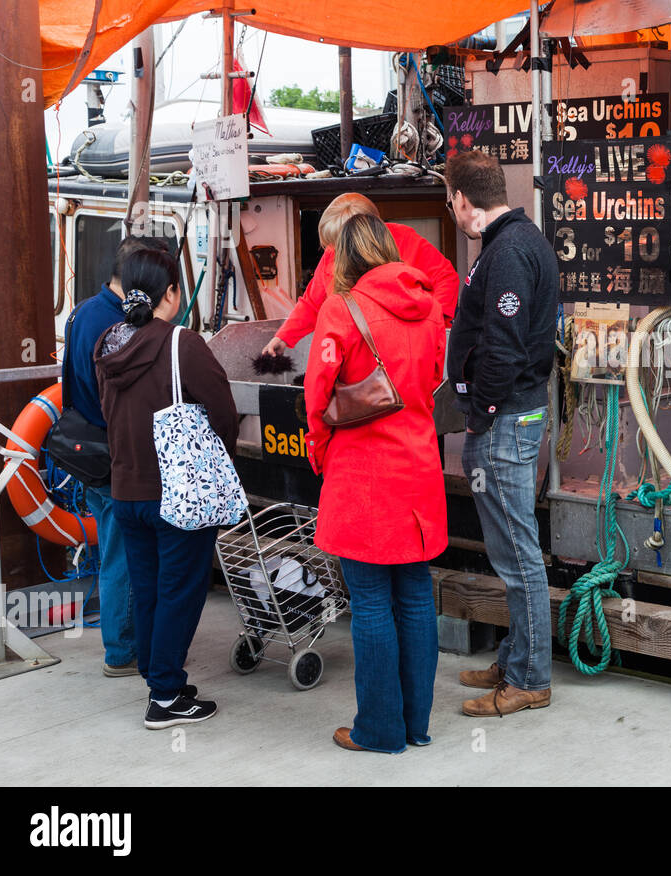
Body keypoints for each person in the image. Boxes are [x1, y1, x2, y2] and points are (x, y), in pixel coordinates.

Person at [304, 213, 447, 753]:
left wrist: (320, 451)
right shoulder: (430, 307)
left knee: (368, 603)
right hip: (418, 469)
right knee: (414, 598)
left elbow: (317, 399)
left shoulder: (341, 309)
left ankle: (379, 731)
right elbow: (433, 381)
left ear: (345, 257)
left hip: (361, 475)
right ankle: (416, 726)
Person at [95, 249, 238, 729]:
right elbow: (223, 409)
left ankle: (159, 677)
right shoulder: (183, 344)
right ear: (171, 292)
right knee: (182, 589)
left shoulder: (109, 344)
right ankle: (166, 696)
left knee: (150, 587)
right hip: (178, 492)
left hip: (126, 489)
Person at [444, 151, 558, 717]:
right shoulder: (516, 242)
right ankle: (516, 658)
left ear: (463, 200)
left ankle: (531, 677)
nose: (453, 211)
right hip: (509, 416)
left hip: (506, 419)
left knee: (517, 554)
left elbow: (505, 345)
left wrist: (481, 412)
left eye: (450, 201)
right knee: (511, 549)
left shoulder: (509, 251)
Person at [61, 234, 171, 678]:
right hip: (117, 457)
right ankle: (122, 650)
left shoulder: (82, 313)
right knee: (124, 555)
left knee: (113, 551)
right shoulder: (119, 325)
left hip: (88, 453)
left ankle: (127, 643)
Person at [263, 192, 458, 357]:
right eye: (334, 243)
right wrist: (283, 337)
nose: (337, 251)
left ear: (371, 232)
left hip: (409, 353)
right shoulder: (333, 252)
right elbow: (312, 304)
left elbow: (446, 278)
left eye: (343, 243)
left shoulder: (405, 239)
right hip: (356, 355)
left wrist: (433, 324)